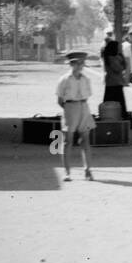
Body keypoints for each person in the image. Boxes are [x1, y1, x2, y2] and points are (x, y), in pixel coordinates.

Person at [56, 51, 96, 181]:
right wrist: (69, 109)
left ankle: (88, 170)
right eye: (77, 63)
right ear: (71, 64)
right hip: (70, 107)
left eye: (82, 63)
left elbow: (88, 94)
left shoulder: (86, 79)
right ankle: (67, 172)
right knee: (68, 141)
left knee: (85, 140)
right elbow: (60, 99)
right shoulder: (64, 80)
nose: (80, 66)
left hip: (84, 106)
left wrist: (80, 107)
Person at [101, 33, 128, 115]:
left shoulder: (108, 56)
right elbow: (119, 68)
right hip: (115, 83)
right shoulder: (112, 58)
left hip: (111, 83)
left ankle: (108, 115)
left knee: (109, 102)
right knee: (119, 103)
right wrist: (122, 57)